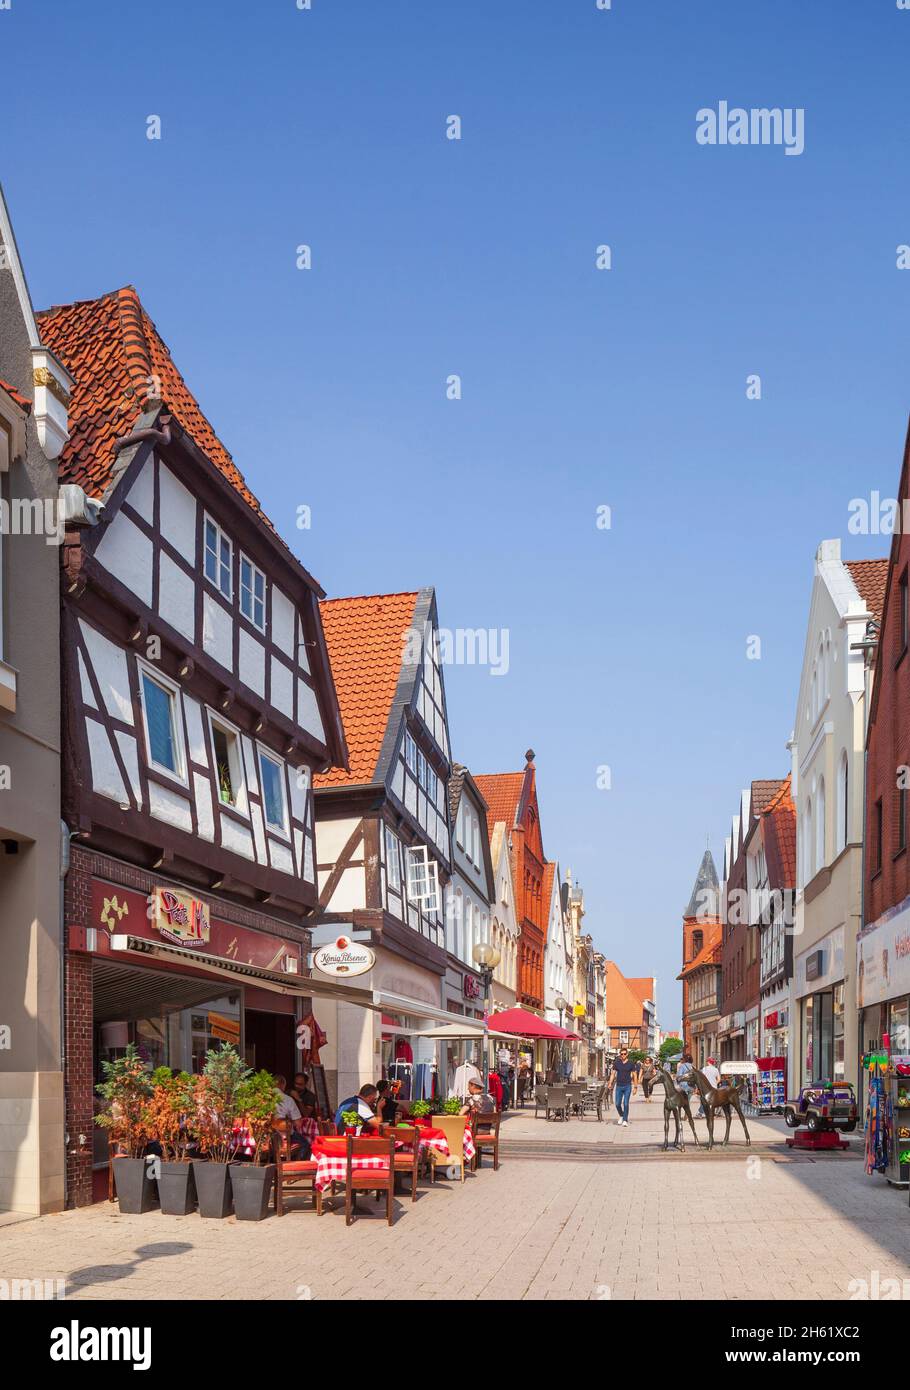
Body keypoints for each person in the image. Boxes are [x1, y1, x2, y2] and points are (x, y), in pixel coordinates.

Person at [610, 1047, 640, 1126]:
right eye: (621, 1054)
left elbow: (634, 1075)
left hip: (627, 1086)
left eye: (624, 1054)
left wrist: (635, 1087)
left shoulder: (631, 1063)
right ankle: (622, 1115)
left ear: (627, 1054)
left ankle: (625, 1120)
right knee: (617, 1104)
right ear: (620, 1054)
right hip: (619, 1085)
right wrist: (610, 1083)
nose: (623, 1055)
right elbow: (613, 1074)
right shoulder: (617, 1062)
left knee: (626, 1103)